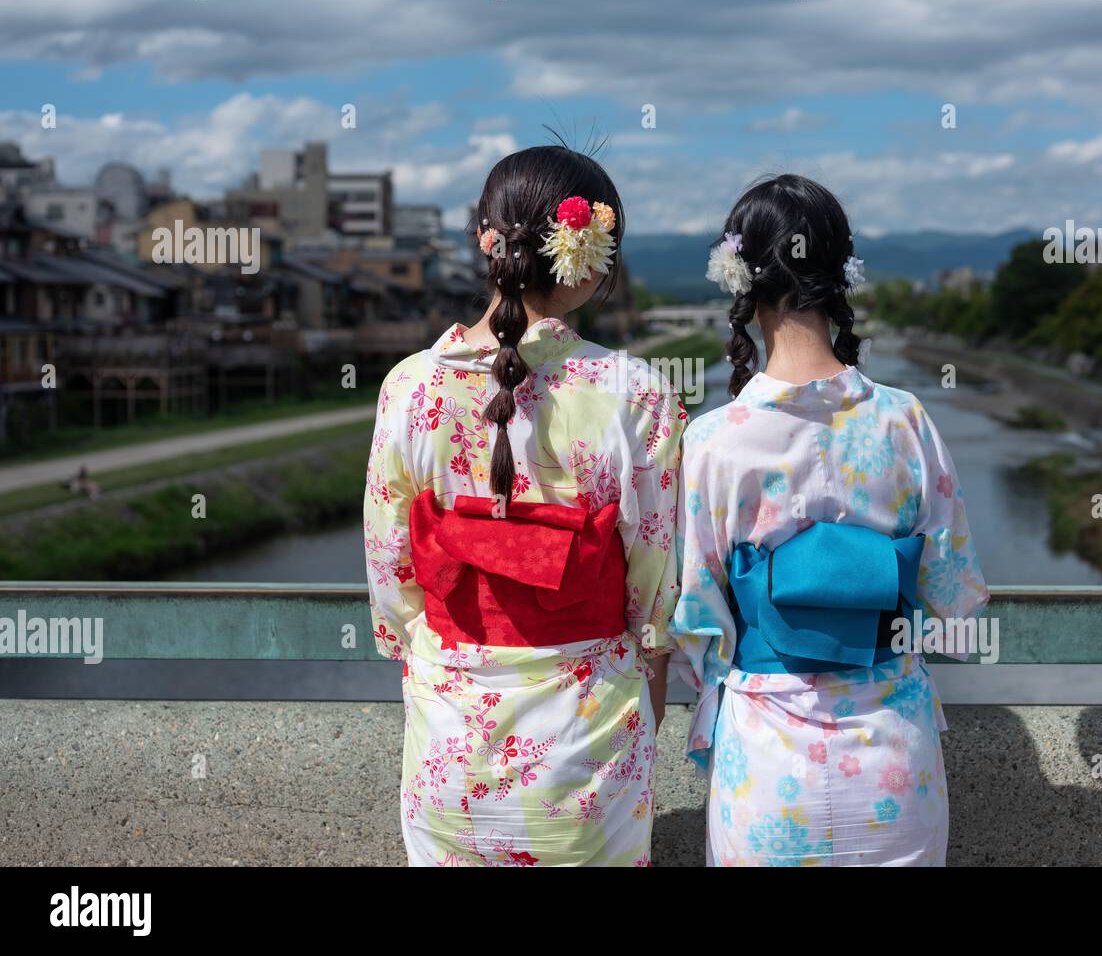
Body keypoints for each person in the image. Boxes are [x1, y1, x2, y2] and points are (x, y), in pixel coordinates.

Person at [364, 145, 685, 866]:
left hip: (451, 735)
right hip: (585, 741)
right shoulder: (634, 391)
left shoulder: (410, 388)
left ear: (486, 239)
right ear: (590, 258)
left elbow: (393, 577)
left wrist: (435, 651)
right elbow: (656, 584)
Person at [671, 174, 989, 866]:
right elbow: (954, 595)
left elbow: (695, 616)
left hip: (766, 763)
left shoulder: (713, 440)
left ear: (740, 281)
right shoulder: (905, 420)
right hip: (892, 754)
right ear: (841, 273)